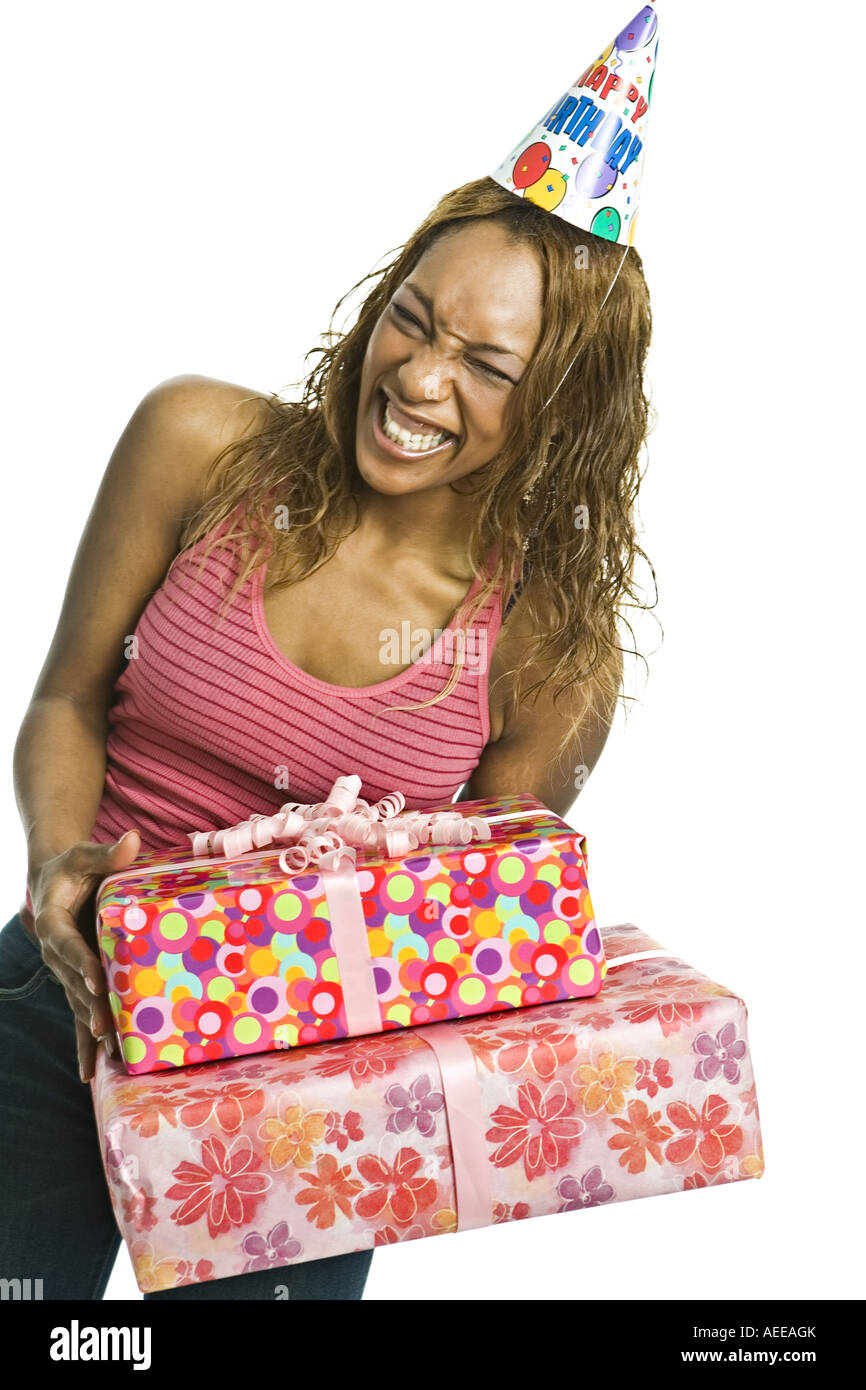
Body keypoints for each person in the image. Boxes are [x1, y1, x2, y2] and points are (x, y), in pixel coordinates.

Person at [0, 175, 654, 1300]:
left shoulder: (547, 645)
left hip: (307, 1111)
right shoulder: (197, 443)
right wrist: (59, 865)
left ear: (559, 406)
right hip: (64, 1005)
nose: (418, 376)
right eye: (411, 317)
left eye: (488, 367)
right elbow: (66, 698)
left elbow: (471, 925)